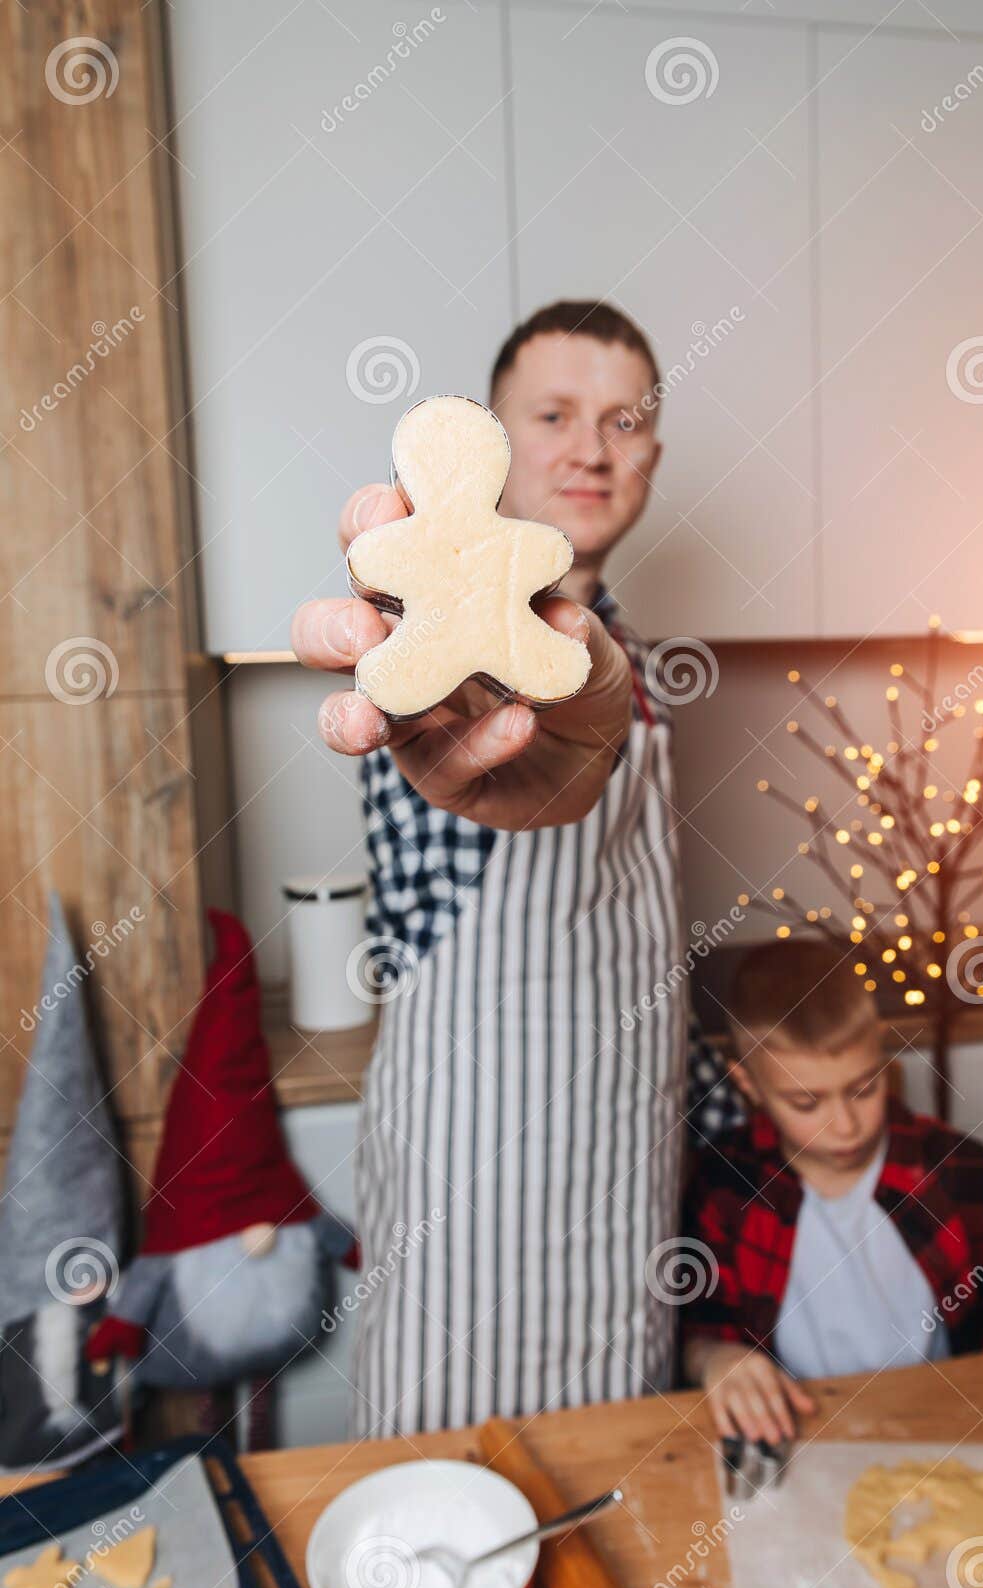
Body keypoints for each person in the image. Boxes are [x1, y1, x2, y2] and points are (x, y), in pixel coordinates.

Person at [292, 300, 740, 1437]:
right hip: (466, 1195)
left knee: (611, 1512)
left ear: (651, 454)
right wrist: (462, 714)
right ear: (489, 443)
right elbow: (507, 768)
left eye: (622, 420)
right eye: (552, 415)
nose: (591, 447)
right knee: (437, 1534)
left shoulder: (630, 657)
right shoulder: (444, 657)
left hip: (620, 1169)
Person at [683, 938, 983, 1448]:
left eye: (864, 1088)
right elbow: (693, 1328)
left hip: (948, 1437)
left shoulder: (954, 1173)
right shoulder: (724, 1186)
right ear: (747, 1085)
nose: (845, 1126)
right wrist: (716, 1358)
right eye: (806, 1102)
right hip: (800, 1444)